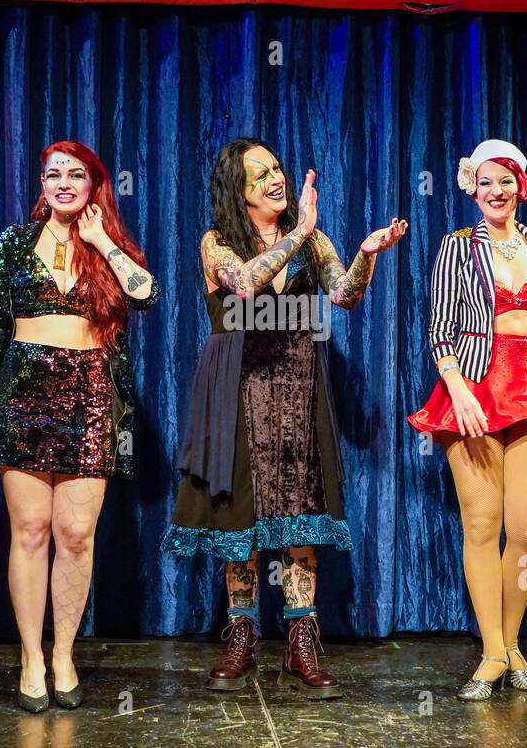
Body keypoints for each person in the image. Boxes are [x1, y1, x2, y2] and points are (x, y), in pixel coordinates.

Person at [163, 139, 406, 698]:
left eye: (276, 168)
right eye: (260, 175)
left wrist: (367, 253)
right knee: (238, 520)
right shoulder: (217, 242)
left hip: (297, 387)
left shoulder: (312, 239)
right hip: (234, 388)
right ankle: (242, 637)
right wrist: (298, 234)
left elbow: (343, 294)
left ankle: (301, 644)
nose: (276, 179)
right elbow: (245, 284)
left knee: (301, 514)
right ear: (238, 190)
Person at [0, 141, 158, 712]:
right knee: (30, 530)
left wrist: (101, 241)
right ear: (42, 185)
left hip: (90, 398)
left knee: (75, 534)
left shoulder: (106, 246)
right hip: (22, 393)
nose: (63, 182)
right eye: (53, 174)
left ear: (94, 186)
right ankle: (30, 658)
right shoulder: (15, 242)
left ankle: (64, 653)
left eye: (75, 174)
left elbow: (147, 295)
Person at [409, 139, 527, 700]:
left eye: (505, 180)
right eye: (485, 182)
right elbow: (439, 330)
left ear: (521, 185)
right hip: (474, 387)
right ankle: (493, 652)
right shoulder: (457, 247)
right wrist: (458, 391)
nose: (495, 191)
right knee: (480, 524)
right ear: (473, 189)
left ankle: (512, 642)